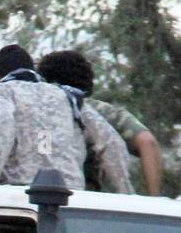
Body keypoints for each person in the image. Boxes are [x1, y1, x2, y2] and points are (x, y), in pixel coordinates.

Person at [0, 44, 132, 194]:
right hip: (71, 197)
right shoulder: (68, 96)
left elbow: (2, 124)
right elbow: (111, 142)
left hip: (20, 195)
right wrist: (126, 195)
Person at [37, 49, 162, 196]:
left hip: (32, 200)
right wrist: (154, 202)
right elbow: (147, 142)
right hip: (88, 205)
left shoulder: (32, 108)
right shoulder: (100, 112)